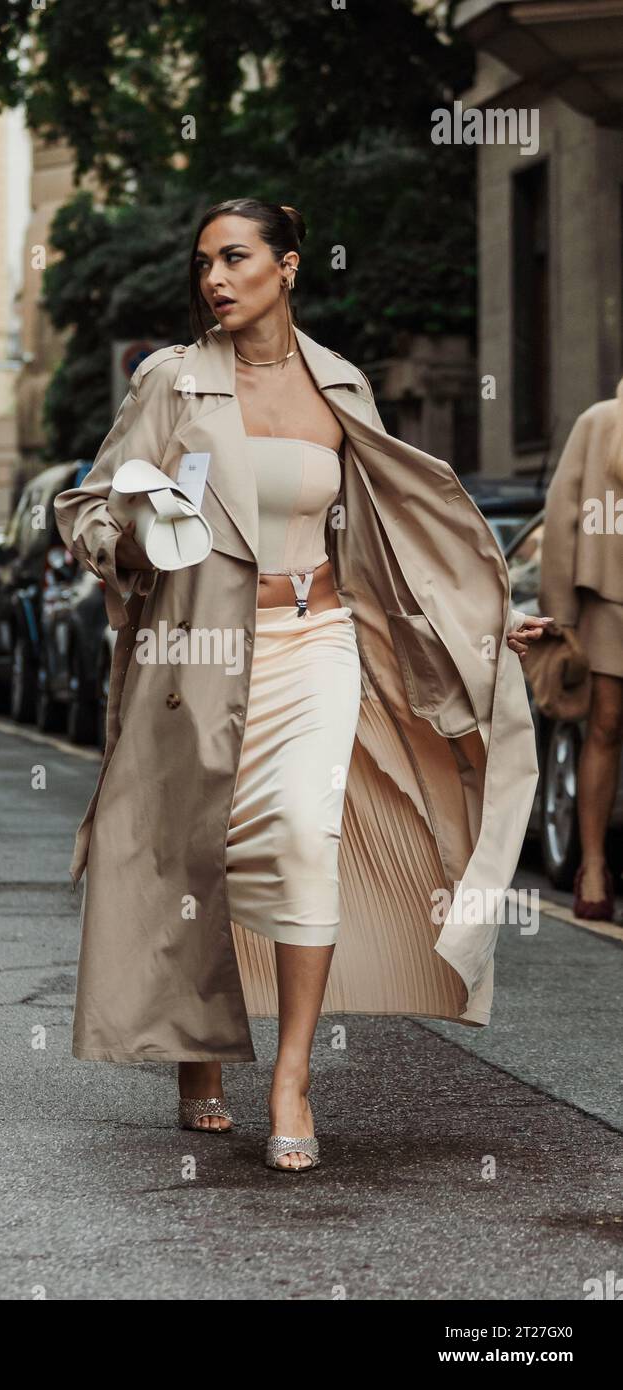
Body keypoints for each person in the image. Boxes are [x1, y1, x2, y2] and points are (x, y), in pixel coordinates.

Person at [54, 198, 549, 1173]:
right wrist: (133, 540)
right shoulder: (172, 383)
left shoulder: (340, 386)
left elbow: (388, 542)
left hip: (317, 640)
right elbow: (86, 507)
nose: (213, 280)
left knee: (299, 836)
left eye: (234, 259)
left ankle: (289, 1077)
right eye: (202, 263)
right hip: (198, 652)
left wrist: (481, 626)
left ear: (286, 267)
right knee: (199, 851)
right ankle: (197, 1051)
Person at [540, 391, 623, 919]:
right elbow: (562, 514)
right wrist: (560, 615)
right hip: (610, 601)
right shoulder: (601, 421)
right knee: (607, 725)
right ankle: (592, 864)